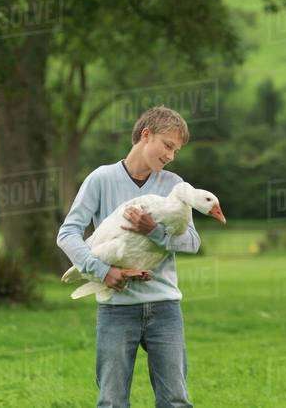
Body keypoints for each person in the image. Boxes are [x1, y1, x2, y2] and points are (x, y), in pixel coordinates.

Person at [57, 105, 199, 407]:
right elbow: (67, 233)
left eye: (176, 151)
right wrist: (102, 271)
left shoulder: (174, 185)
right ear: (146, 135)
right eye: (168, 146)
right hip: (117, 308)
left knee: (175, 400)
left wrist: (154, 232)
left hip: (165, 306)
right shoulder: (101, 179)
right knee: (111, 401)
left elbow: (192, 242)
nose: (171, 156)